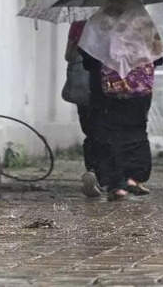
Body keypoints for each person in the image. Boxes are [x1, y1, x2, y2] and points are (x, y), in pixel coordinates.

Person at [79, 0, 163, 201]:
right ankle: (135, 177)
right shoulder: (144, 24)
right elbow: (158, 58)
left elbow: (88, 60)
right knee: (137, 129)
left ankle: (116, 184)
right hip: (139, 91)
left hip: (105, 91)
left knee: (108, 134)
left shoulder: (98, 23)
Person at [65, 20, 103, 198]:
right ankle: (106, 175)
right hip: (106, 85)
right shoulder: (115, 21)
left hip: (83, 86)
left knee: (90, 131)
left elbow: (68, 56)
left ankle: (93, 170)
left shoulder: (78, 25)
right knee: (107, 129)